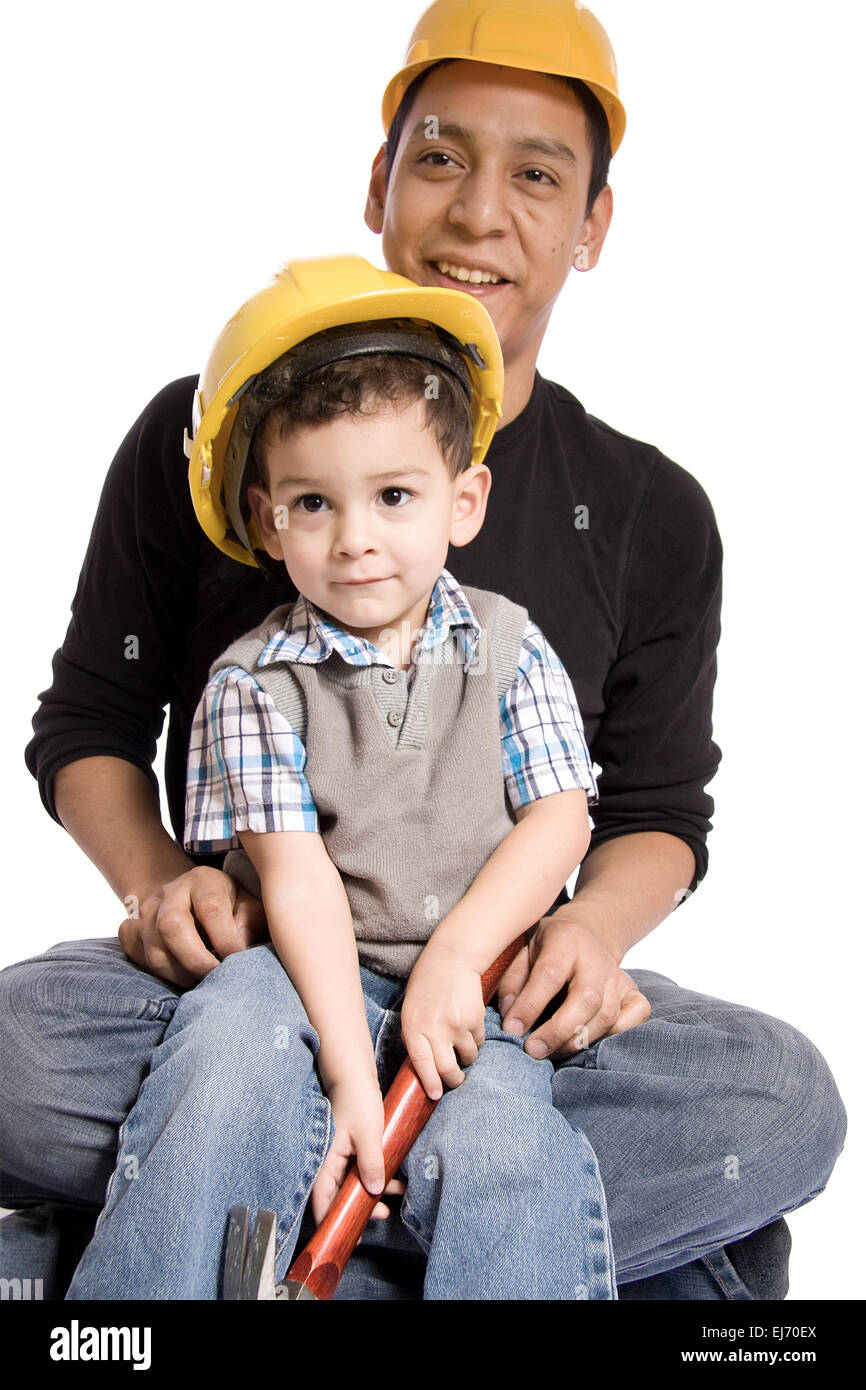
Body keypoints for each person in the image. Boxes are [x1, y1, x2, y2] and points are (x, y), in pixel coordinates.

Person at [3, 0, 845, 1300]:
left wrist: (583, 943)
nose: (476, 212)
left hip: (502, 988)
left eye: (536, 174)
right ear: (379, 182)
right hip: (255, 965)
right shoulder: (210, 426)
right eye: (440, 158)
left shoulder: (642, 511)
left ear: (589, 226)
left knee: (778, 1097)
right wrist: (162, 883)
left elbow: (649, 810)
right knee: (23, 1052)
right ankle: (514, 1240)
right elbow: (91, 724)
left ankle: (274, 1226)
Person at [64, 256, 619, 1299]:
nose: (355, 539)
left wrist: (457, 956)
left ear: (464, 501)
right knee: (224, 1053)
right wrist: (352, 1080)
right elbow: (299, 879)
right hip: (297, 970)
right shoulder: (251, 684)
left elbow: (558, 816)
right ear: (270, 523)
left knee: (508, 1138)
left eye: (394, 496)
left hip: (473, 987)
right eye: (314, 504)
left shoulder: (510, 645)